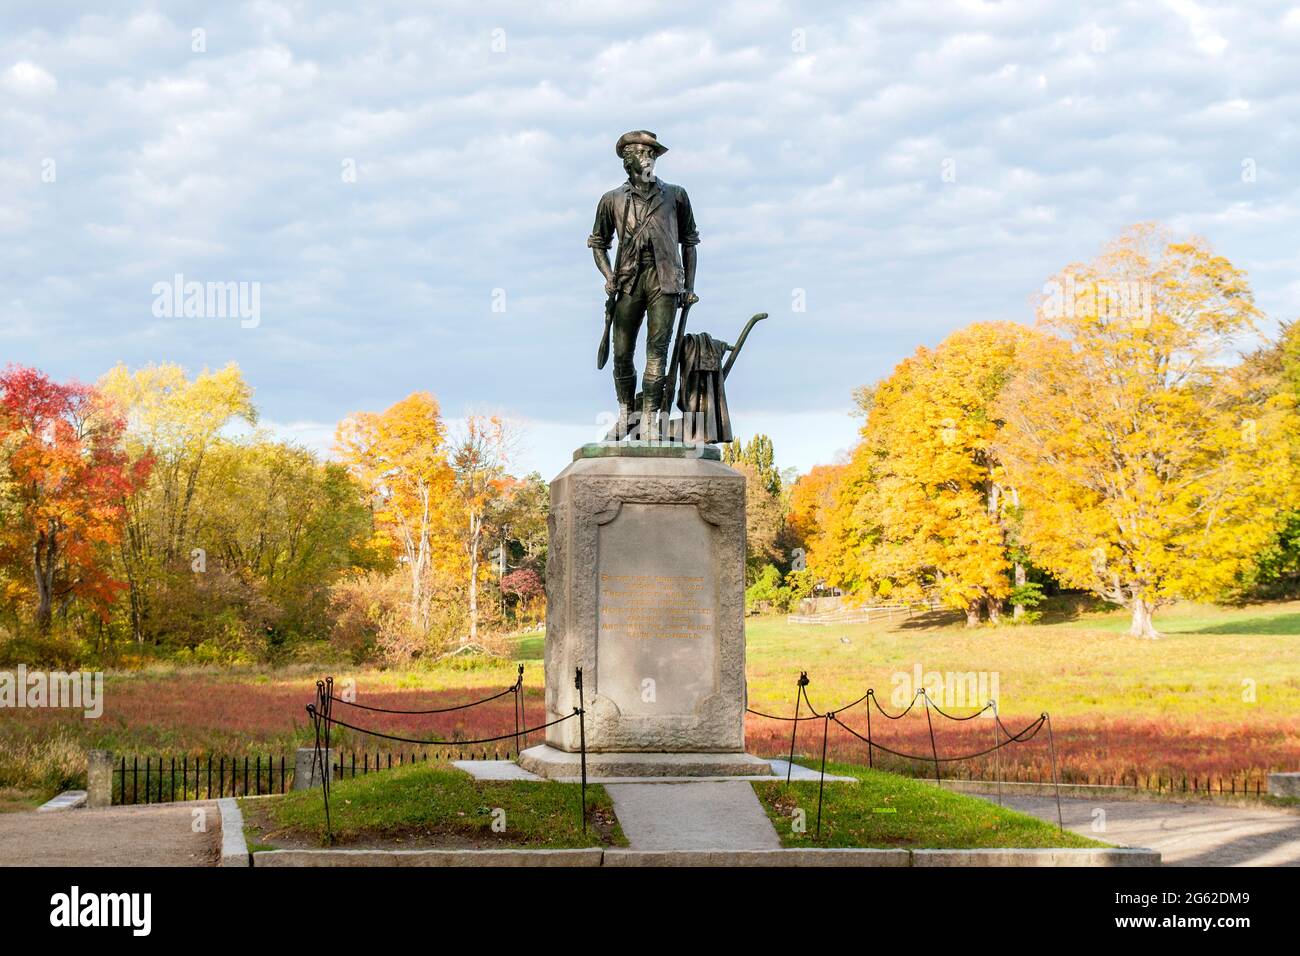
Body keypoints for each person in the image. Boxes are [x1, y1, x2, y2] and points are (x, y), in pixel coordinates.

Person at [588, 130, 700, 439]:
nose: (648, 158)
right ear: (628, 162)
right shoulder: (611, 200)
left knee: (657, 353)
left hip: (665, 281)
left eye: (651, 154)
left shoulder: (676, 195)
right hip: (628, 282)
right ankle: (627, 414)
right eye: (641, 153)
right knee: (622, 353)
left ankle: (650, 419)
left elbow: (690, 242)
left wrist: (689, 287)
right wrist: (608, 276)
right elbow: (598, 243)